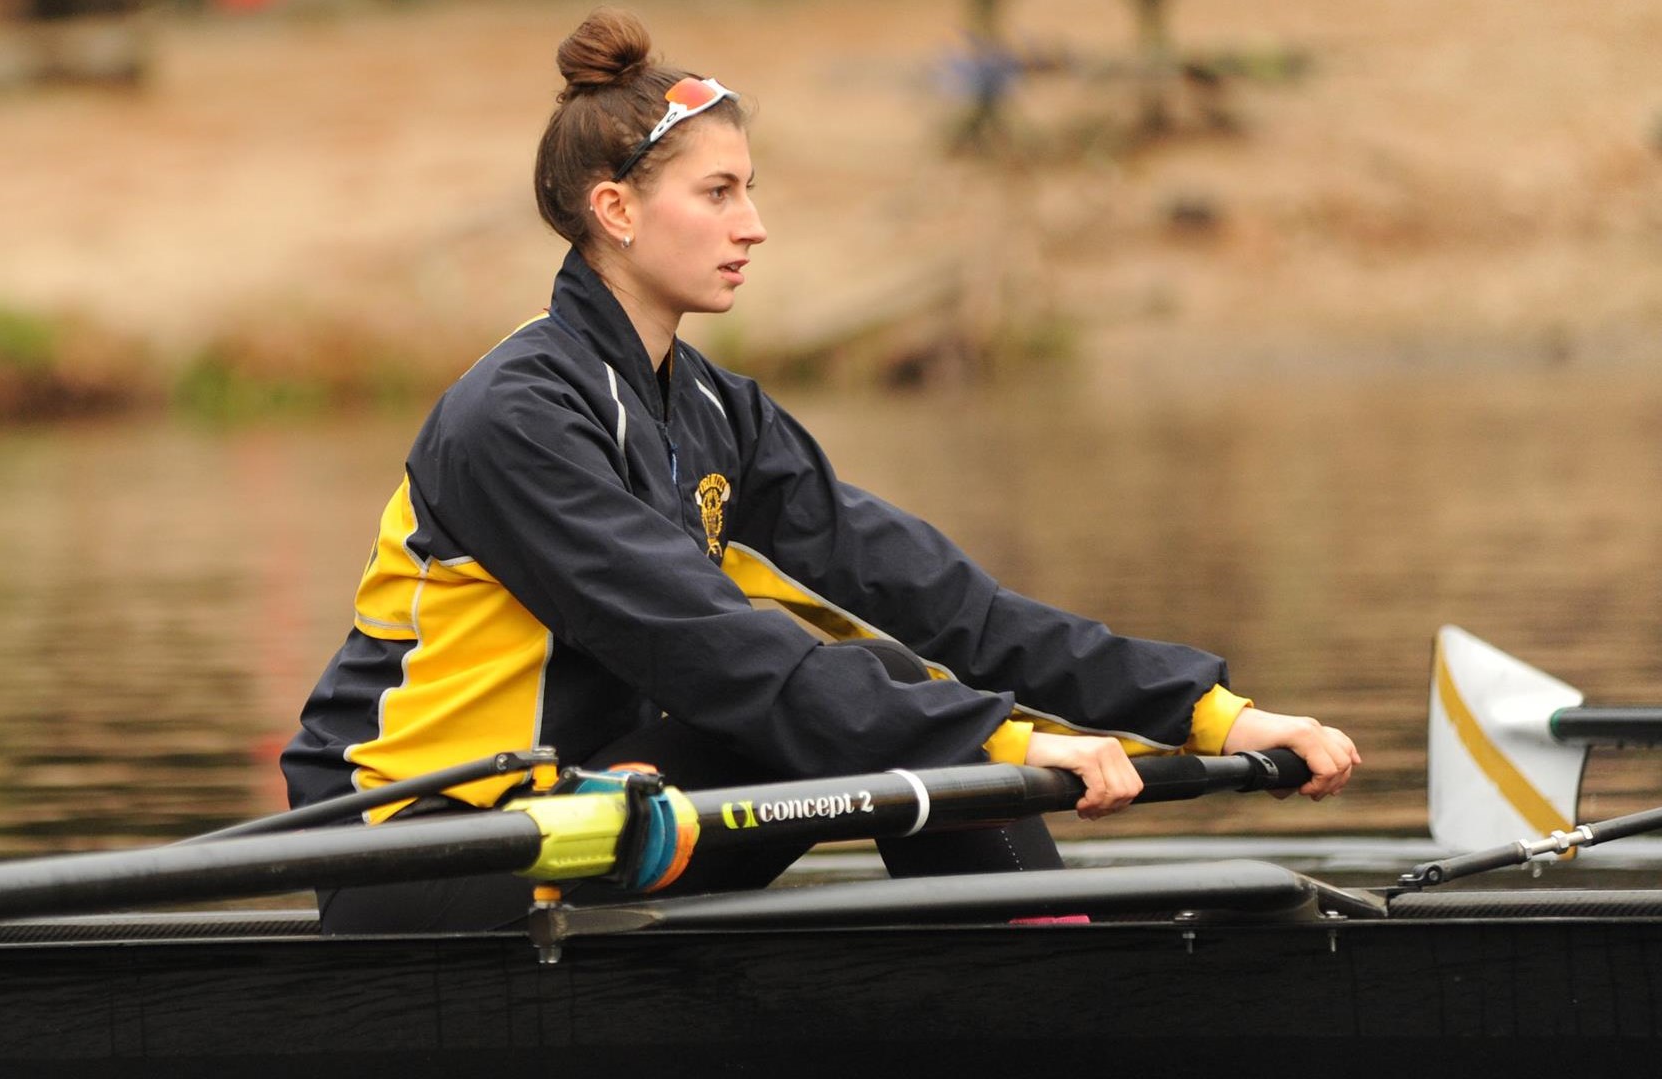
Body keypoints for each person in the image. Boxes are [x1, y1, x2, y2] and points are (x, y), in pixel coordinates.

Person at [280, 8, 1358, 933]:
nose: (753, 225)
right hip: (414, 848)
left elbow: (939, 598)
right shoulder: (512, 420)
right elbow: (710, 647)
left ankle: (1039, 969)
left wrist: (1209, 712)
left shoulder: (711, 407)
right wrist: (997, 739)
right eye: (716, 193)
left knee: (917, 700)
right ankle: (1044, 987)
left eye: (748, 189)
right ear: (613, 211)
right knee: (899, 720)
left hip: (584, 806)